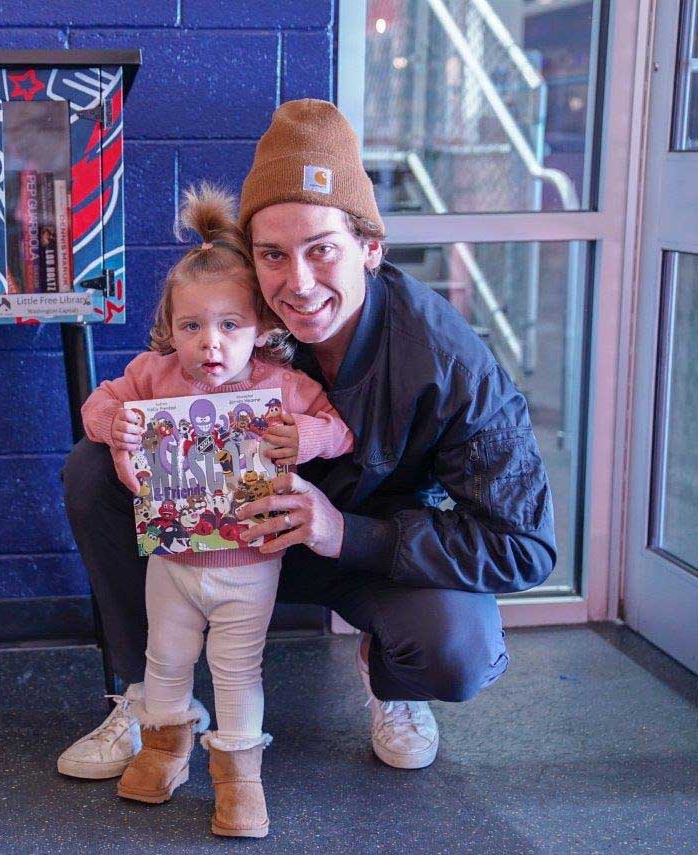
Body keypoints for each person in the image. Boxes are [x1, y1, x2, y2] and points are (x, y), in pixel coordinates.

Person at [57, 99, 556, 785]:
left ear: (370, 248)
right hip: (217, 535)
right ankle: (150, 700)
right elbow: (136, 393)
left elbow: (522, 546)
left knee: (454, 650)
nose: (297, 282)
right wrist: (123, 427)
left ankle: (390, 679)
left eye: (322, 249)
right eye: (273, 254)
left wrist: (348, 533)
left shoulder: (447, 363)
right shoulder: (231, 314)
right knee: (91, 470)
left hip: (358, 548)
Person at [72, 184, 354, 837]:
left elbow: (339, 429)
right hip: (172, 561)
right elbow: (96, 406)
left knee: (236, 671)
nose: (210, 344)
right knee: (165, 661)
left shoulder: (280, 385)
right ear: (169, 328)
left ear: (263, 328)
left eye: (230, 325)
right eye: (191, 326)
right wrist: (116, 426)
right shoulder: (154, 374)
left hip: (249, 565)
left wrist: (306, 438)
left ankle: (240, 781)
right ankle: (163, 753)